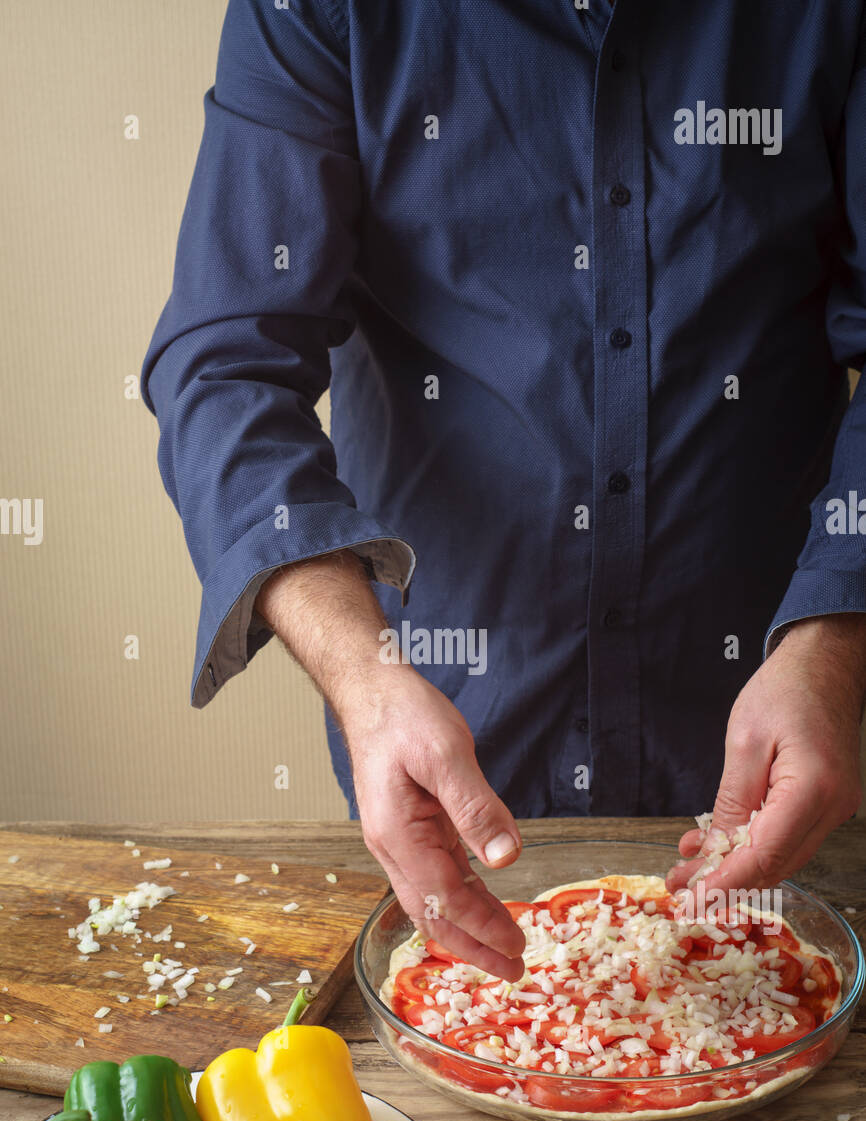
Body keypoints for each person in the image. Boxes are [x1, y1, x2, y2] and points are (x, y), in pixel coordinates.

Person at [142, 1, 866, 981]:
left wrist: (832, 649)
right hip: (445, 753)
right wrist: (361, 678)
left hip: (786, 745)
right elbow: (224, 364)